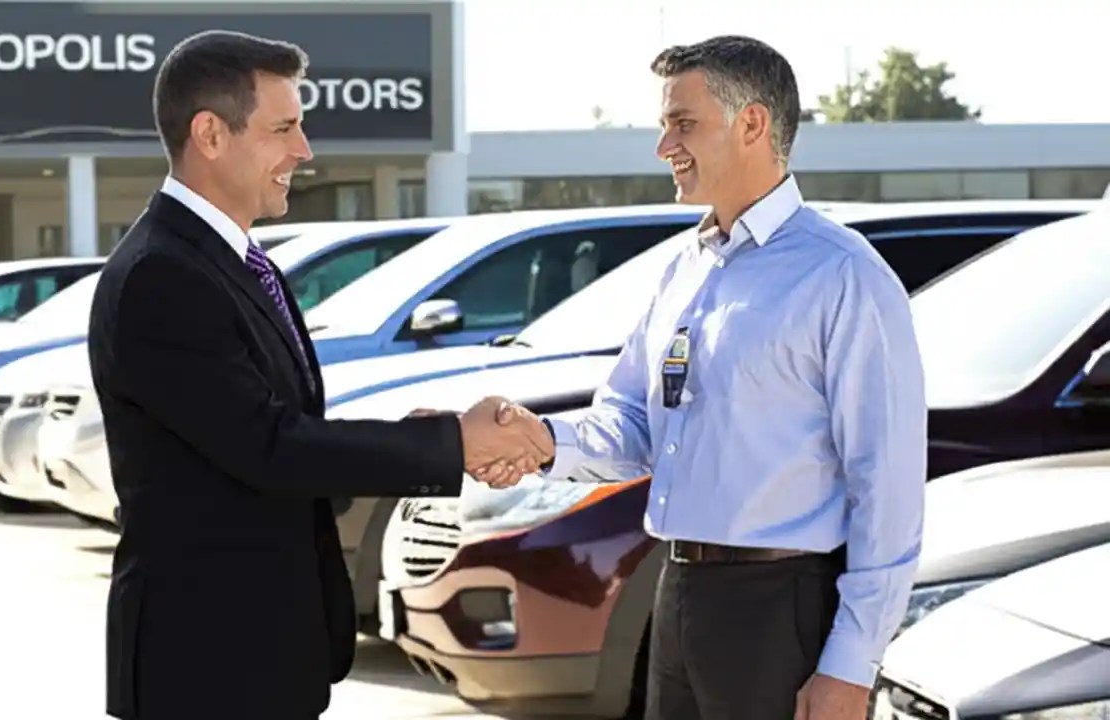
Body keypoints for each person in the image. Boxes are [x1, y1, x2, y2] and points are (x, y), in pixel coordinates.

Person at [87, 30, 549, 720]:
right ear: (210, 133)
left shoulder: (230, 259)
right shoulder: (164, 275)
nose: (303, 152)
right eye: (284, 129)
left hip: (256, 657)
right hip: (206, 667)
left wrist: (411, 439)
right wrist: (452, 444)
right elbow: (271, 448)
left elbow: (277, 433)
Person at [472, 35, 926, 720]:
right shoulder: (684, 269)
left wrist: (850, 664)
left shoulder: (843, 275)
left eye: (682, 123)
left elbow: (886, 487)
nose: (663, 146)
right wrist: (538, 439)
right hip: (679, 594)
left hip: (781, 609)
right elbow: (633, 424)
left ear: (753, 124)